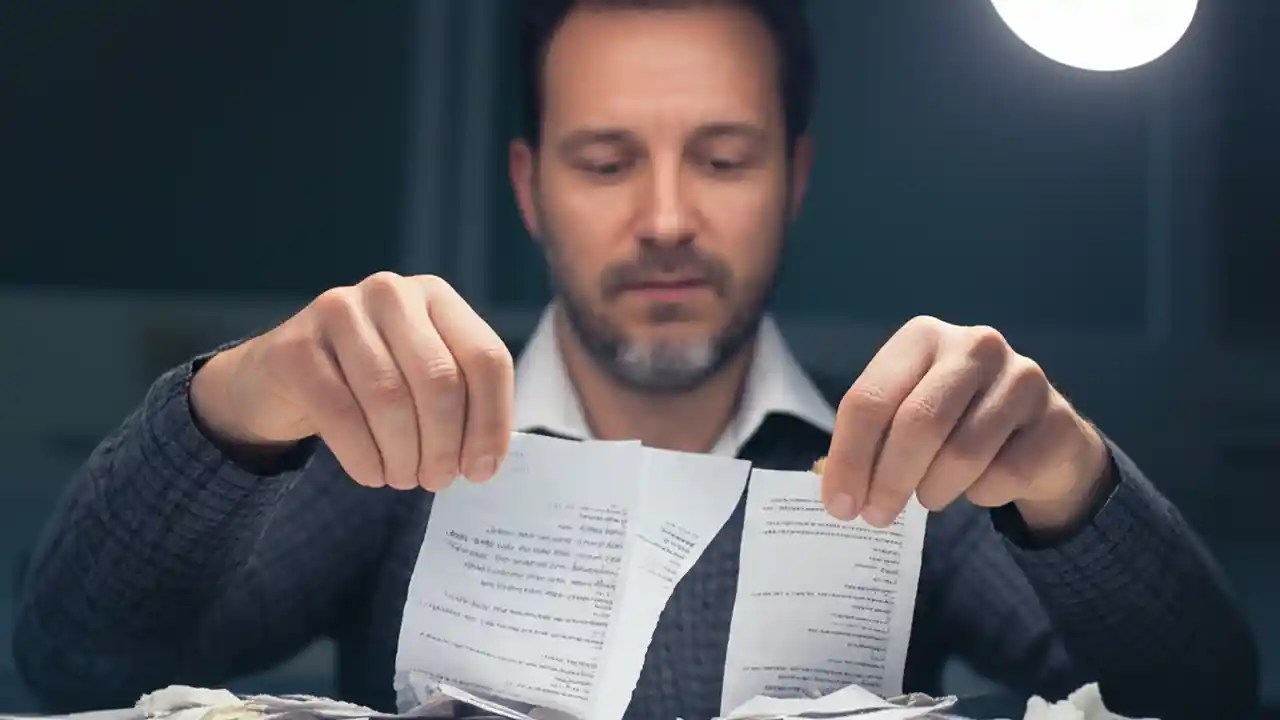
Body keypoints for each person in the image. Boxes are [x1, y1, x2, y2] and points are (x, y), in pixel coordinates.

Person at [13, 1, 1259, 718]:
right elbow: (79, 663)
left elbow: (1201, 695)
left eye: (720, 158)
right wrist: (234, 407)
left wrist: (1072, 478)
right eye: (606, 162)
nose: (665, 217)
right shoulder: (402, 450)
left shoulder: (914, 468)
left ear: (794, 180)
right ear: (528, 187)